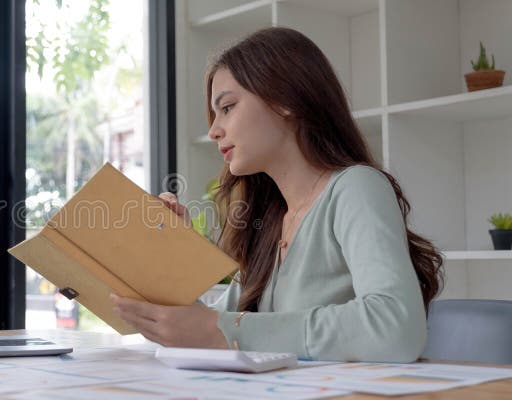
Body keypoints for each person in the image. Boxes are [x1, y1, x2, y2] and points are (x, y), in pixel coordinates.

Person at [110, 27, 444, 362]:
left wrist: (228, 330)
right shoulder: (267, 222)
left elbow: (397, 329)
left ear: (284, 99)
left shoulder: (356, 188)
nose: (214, 130)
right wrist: (165, 251)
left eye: (226, 107)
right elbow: (210, 328)